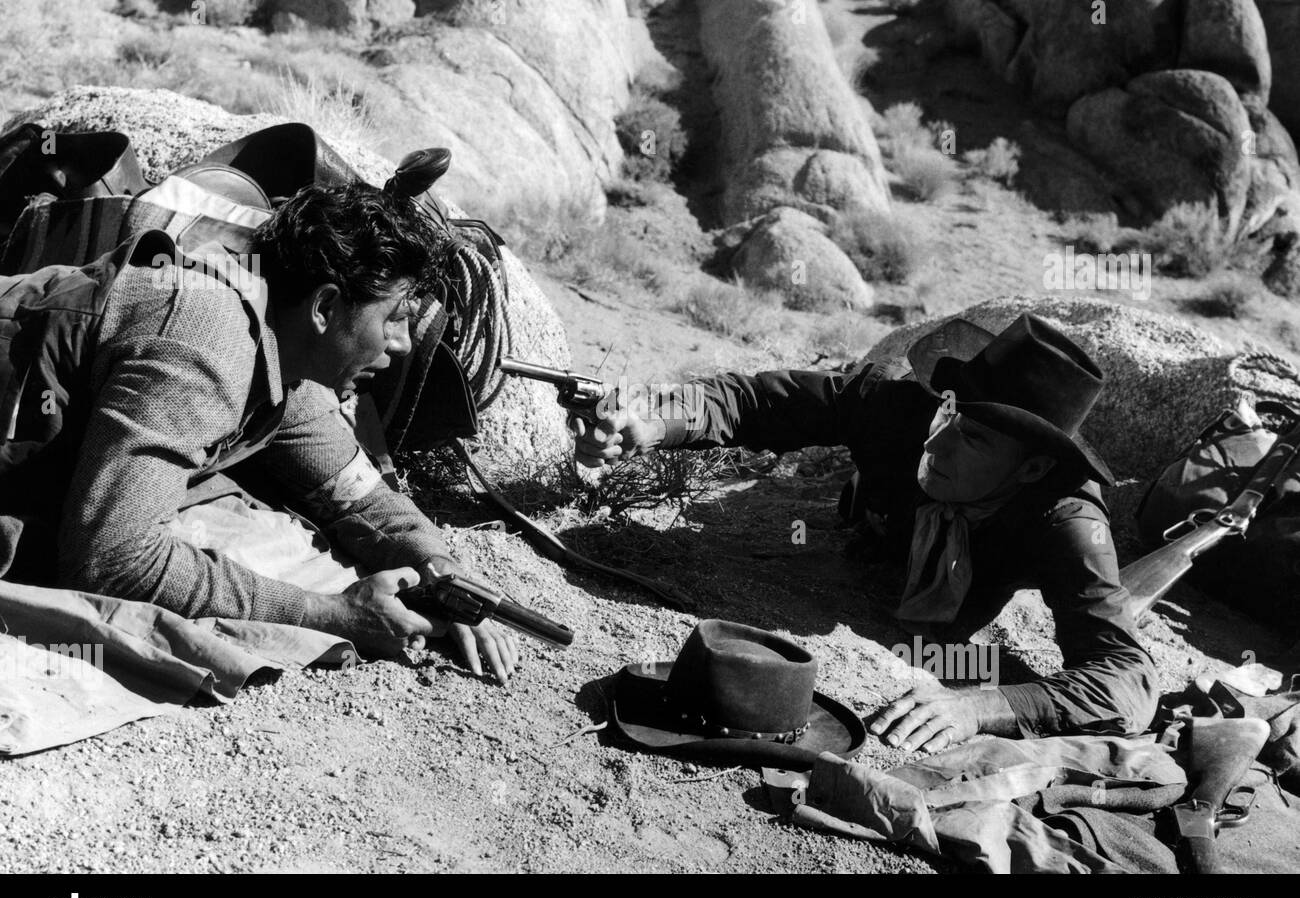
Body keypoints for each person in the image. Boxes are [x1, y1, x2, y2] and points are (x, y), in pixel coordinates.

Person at [0, 182, 520, 682]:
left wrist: (439, 568)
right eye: (394, 317)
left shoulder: (287, 358)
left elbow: (358, 497)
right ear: (324, 307)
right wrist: (335, 615)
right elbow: (113, 561)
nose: (404, 344)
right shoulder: (208, 339)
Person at [573, 314, 1159, 748]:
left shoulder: (1068, 522)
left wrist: (984, 706)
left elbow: (1126, 678)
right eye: (949, 414)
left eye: (975, 438)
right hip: (867, 528)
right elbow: (758, 402)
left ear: (1031, 468)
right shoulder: (899, 406)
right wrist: (654, 422)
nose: (939, 440)